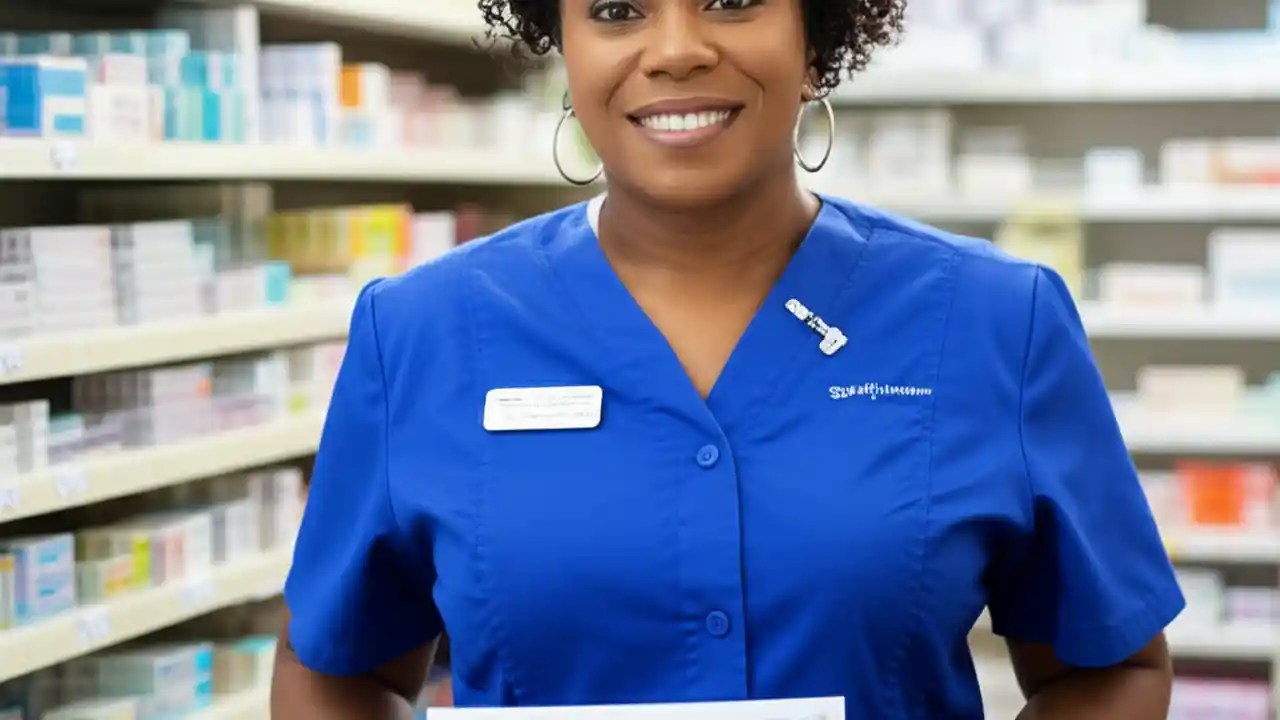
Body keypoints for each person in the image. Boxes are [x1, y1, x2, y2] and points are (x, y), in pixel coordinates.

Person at [271, 0, 1186, 717]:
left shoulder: (994, 321)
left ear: (817, 35)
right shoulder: (423, 332)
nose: (674, 49)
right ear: (563, 42)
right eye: (618, 9)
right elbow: (337, 671)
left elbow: (1109, 669)